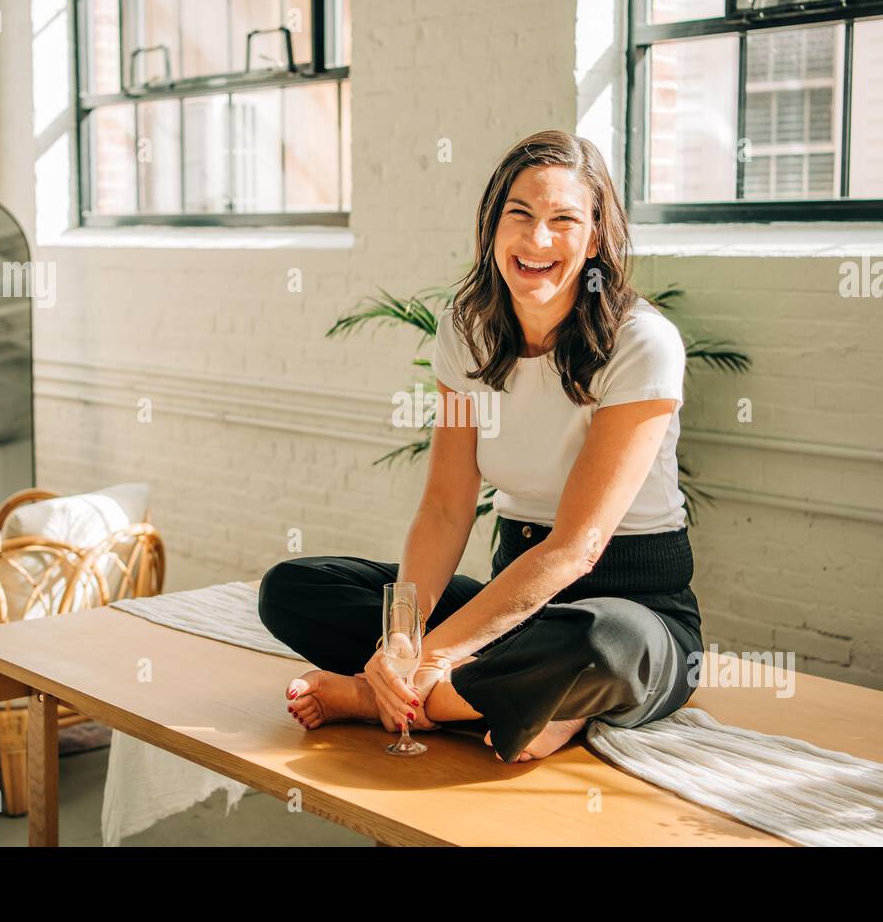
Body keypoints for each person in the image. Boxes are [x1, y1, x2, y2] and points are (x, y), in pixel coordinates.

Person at [257, 129, 703, 764]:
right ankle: (522, 699)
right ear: (492, 224)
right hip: (512, 606)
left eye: (564, 220)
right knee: (293, 589)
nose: (537, 240)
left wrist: (428, 656)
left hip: (635, 608)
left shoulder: (642, 343)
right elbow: (444, 506)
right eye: (519, 214)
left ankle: (376, 697)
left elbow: (577, 548)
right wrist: (405, 638)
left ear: (596, 237)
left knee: (599, 644)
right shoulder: (466, 334)